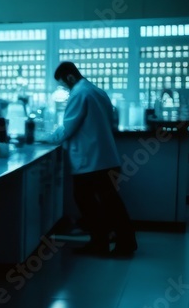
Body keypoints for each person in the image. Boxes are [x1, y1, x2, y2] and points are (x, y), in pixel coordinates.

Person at [44, 61, 137, 258]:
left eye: (64, 84)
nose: (65, 89)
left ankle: (106, 243)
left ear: (70, 77)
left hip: (90, 161)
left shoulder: (79, 93)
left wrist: (47, 138)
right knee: (110, 202)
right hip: (105, 158)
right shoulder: (97, 91)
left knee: (88, 202)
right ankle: (120, 243)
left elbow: (68, 127)